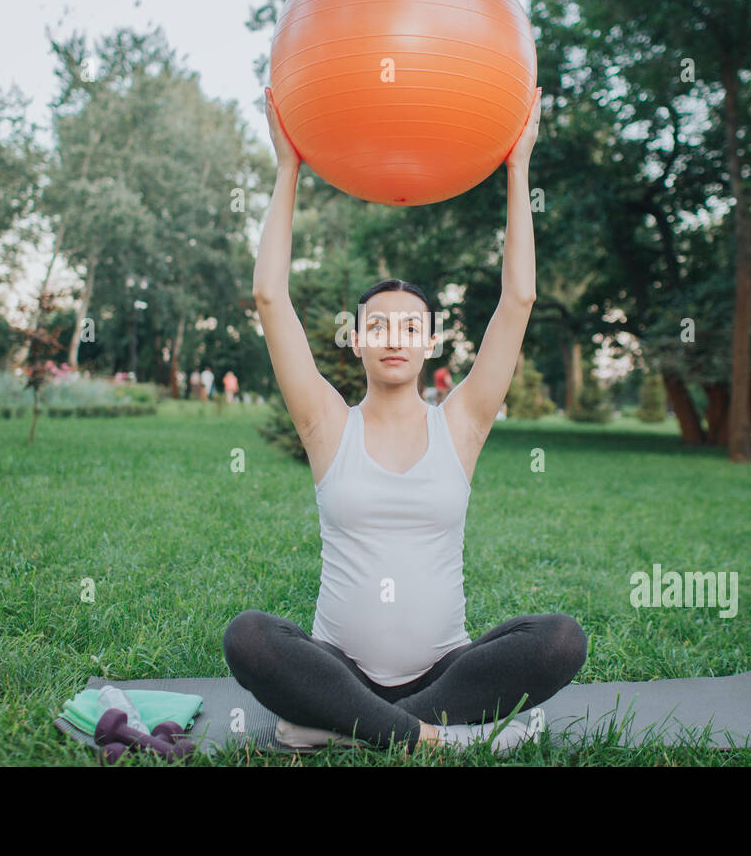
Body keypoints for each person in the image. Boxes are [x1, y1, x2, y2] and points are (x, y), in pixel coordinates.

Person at [222, 85, 586, 756]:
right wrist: (287, 167)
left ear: (432, 342)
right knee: (247, 635)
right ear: (355, 340)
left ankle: (342, 725)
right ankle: (433, 739)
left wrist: (519, 165)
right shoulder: (328, 425)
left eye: (410, 326)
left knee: (561, 638)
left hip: (445, 672)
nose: (393, 336)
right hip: (338, 667)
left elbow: (521, 297)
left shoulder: (463, 424)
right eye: (377, 326)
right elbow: (271, 296)